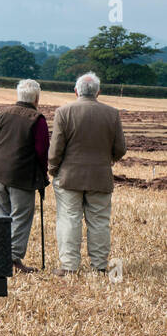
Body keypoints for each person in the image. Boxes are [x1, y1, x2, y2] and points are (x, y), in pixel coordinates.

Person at [48, 72, 127, 276]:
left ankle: (69, 266)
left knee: (68, 219)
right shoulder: (112, 113)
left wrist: (53, 169)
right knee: (99, 221)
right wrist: (107, 160)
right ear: (98, 92)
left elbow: (56, 148)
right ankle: (99, 265)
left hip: (69, 176)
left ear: (76, 91)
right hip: (100, 176)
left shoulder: (63, 112)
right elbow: (120, 149)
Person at [0, 79, 50, 274]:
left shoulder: (2, 114)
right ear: (37, 98)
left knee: (0, 218)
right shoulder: (37, 119)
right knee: (20, 219)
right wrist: (43, 174)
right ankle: (12, 260)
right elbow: (42, 151)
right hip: (22, 178)